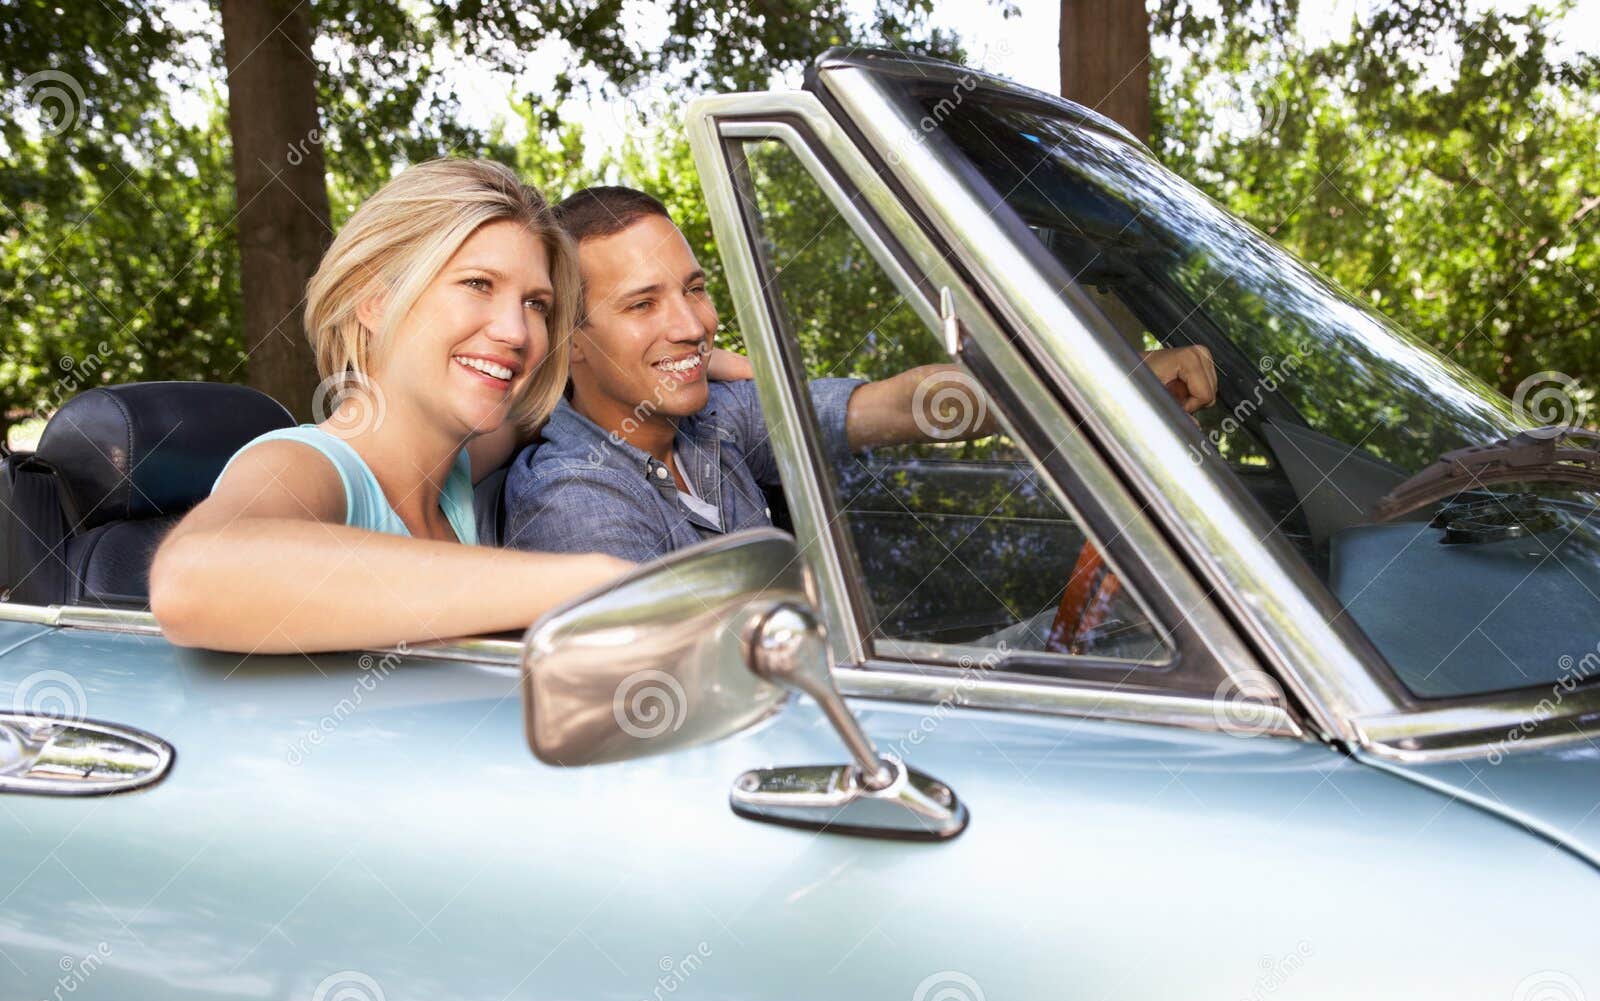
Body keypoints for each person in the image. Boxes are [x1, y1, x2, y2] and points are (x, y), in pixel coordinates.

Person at [501, 186, 1216, 564]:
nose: (691, 324)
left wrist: (1116, 379)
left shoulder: (714, 422)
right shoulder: (573, 495)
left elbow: (907, 405)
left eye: (694, 287)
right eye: (642, 304)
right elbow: (670, 708)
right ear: (573, 340)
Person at [149, 158, 631, 653]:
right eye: (477, 284)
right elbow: (190, 580)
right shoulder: (306, 464)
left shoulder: (458, 468)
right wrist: (593, 579)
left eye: (536, 304)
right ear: (375, 301)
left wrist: (701, 361)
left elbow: (546, 407)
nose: (515, 331)